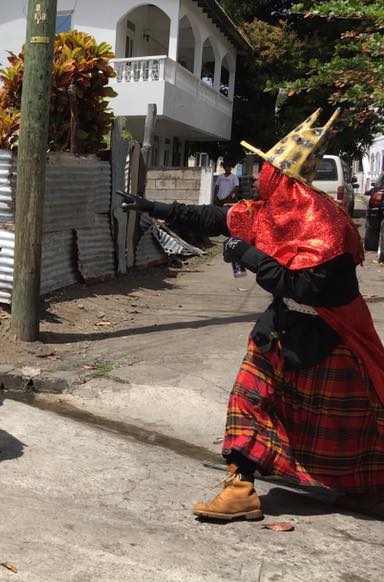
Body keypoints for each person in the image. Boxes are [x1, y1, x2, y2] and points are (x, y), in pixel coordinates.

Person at [120, 109, 384, 521]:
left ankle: (365, 489)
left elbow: (303, 287)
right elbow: (214, 218)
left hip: (330, 336)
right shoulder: (268, 210)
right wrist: (153, 206)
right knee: (248, 396)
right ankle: (240, 486)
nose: (261, 174)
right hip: (280, 328)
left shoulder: (325, 224)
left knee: (340, 423)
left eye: (267, 168)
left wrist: (247, 254)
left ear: (282, 177)